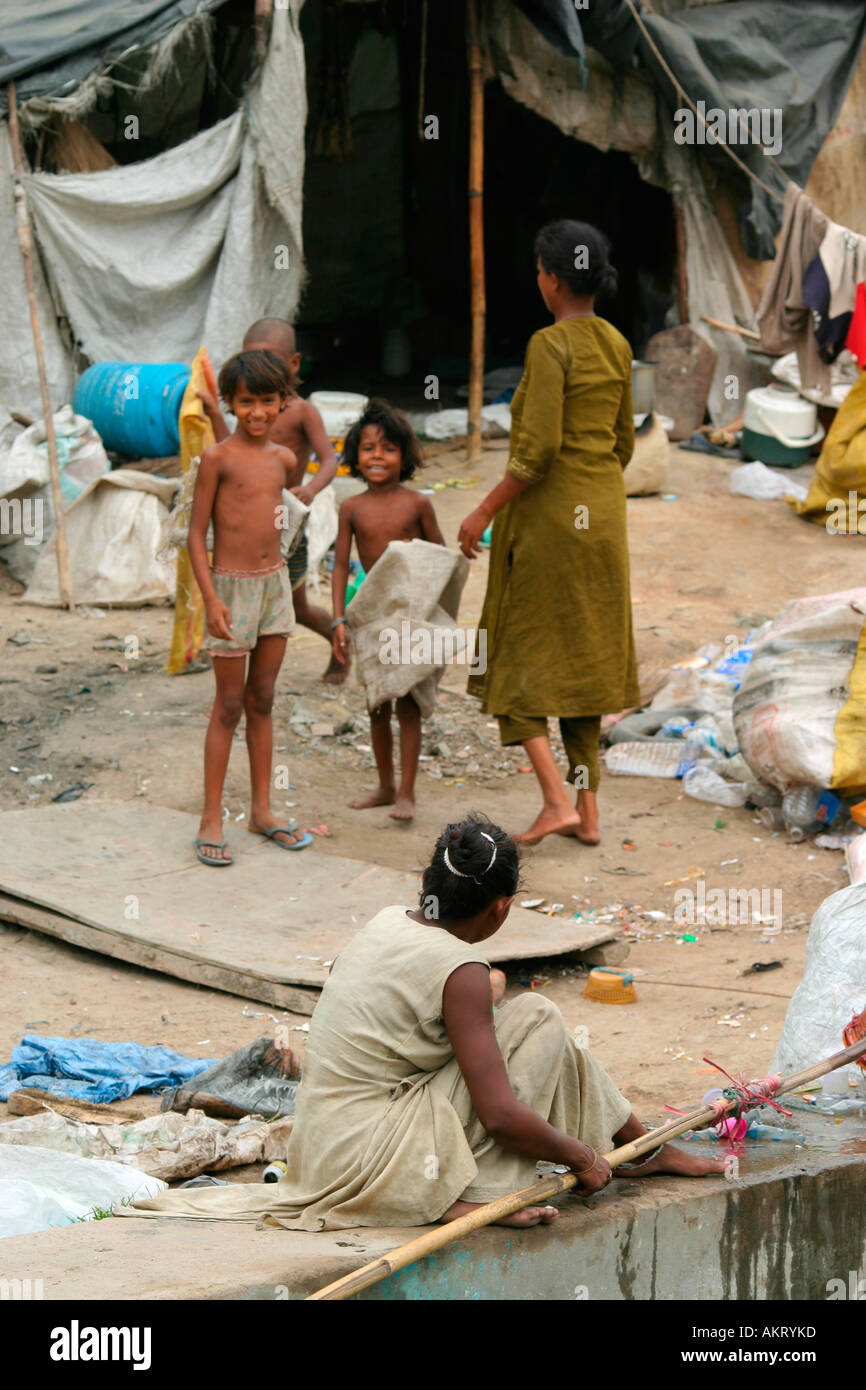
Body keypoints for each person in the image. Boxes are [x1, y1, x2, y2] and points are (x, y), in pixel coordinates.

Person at [120, 816, 722, 1232]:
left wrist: (621, 1148)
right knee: (538, 1016)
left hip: (322, 1146)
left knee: (533, 1024)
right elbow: (501, 1117)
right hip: (373, 1161)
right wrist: (583, 1158)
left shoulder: (389, 921)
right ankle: (479, 1196)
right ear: (502, 906)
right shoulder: (460, 969)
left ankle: (643, 1150)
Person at [458, 220, 640, 847]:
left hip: (551, 521)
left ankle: (556, 802)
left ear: (554, 279)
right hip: (603, 517)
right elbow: (622, 443)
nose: (537, 280)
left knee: (514, 659)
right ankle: (588, 816)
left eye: (539, 270)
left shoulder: (549, 345)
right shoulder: (617, 342)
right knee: (585, 665)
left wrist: (481, 511)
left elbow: (534, 454)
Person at [188, 348, 314, 865]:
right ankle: (211, 817)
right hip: (230, 589)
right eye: (246, 402)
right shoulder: (216, 459)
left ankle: (262, 812)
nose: (257, 412)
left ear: (283, 402)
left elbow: (281, 522)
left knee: (262, 698)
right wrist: (211, 599)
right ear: (233, 404)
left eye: (267, 401)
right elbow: (196, 536)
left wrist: (286, 575)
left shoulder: (283, 461)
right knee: (229, 706)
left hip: (273, 588)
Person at [198, 318, 344, 682]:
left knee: (297, 606)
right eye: (252, 358)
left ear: (293, 364)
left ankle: (341, 644)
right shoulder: (250, 409)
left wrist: (310, 490)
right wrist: (217, 413)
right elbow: (230, 450)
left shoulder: (301, 411)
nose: (260, 368)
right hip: (249, 520)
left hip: (285, 520)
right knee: (250, 598)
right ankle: (234, 688)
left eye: (270, 360)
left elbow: (330, 458)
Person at [331, 399, 445, 822]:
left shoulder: (417, 504)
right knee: (377, 704)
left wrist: (431, 613)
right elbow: (342, 565)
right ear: (354, 457)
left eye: (388, 448)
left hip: (411, 617)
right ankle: (384, 786)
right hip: (371, 618)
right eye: (368, 448)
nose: (377, 456)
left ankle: (408, 793)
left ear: (405, 457)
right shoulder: (351, 508)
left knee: (409, 706)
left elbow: (440, 557)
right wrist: (338, 618)